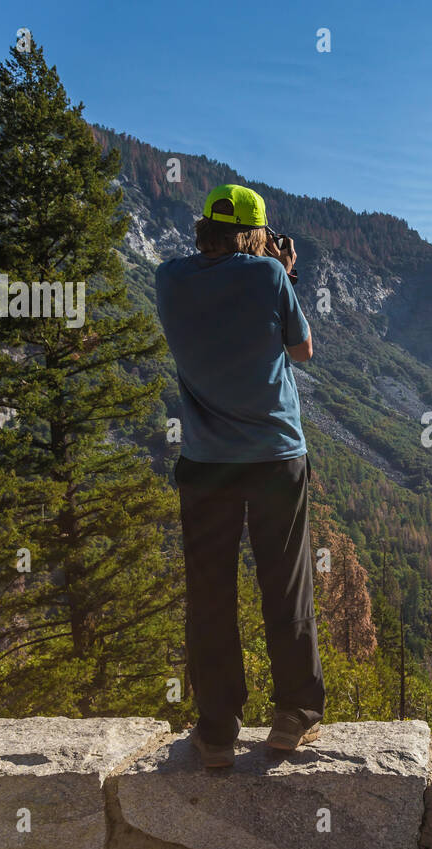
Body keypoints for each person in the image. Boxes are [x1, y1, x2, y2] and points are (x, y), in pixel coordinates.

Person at [155, 183, 325, 767]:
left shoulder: (168, 278)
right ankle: (294, 715)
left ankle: (218, 729)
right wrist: (282, 270)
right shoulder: (269, 276)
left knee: (210, 594)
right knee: (284, 583)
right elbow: (301, 349)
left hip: (205, 463)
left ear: (204, 227)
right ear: (257, 235)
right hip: (275, 455)